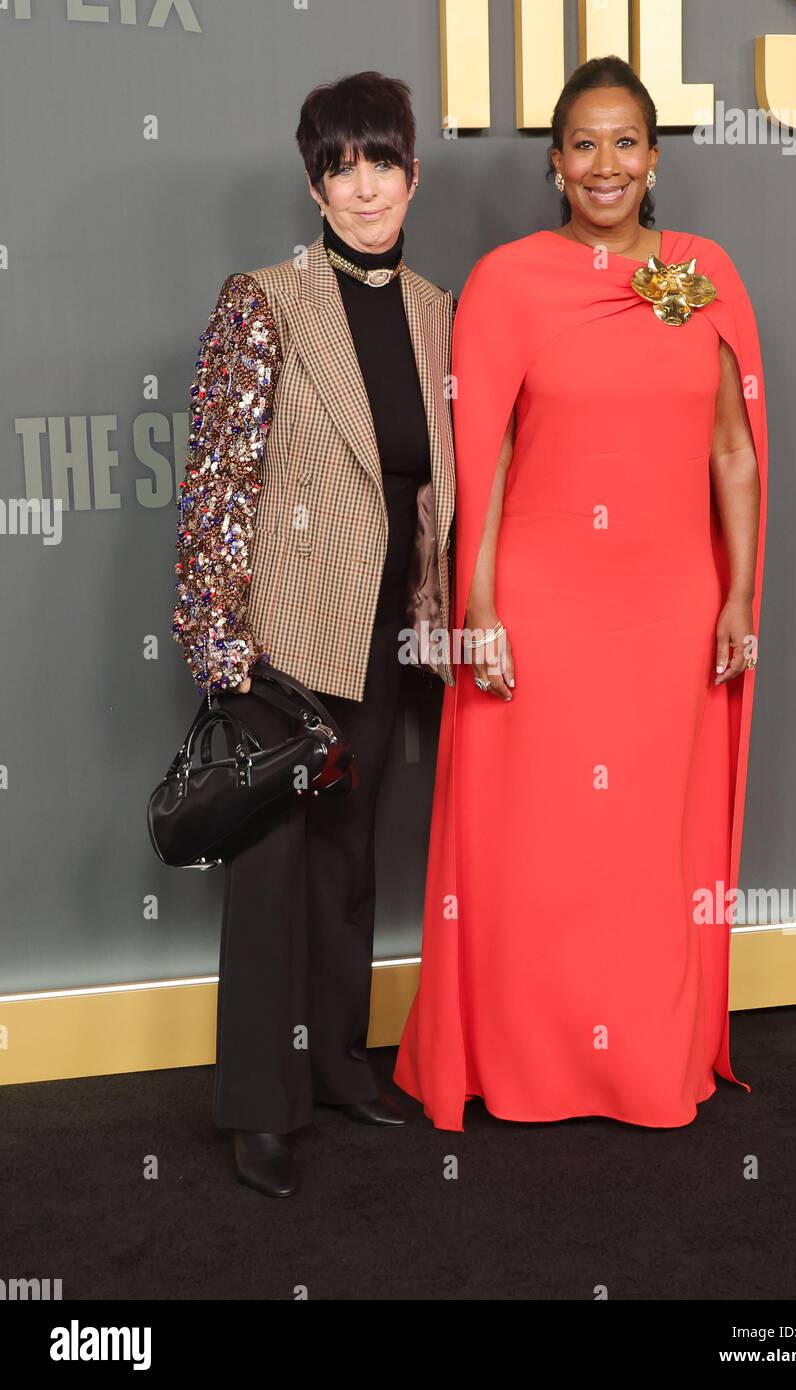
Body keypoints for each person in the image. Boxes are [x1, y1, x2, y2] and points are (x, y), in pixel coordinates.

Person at [394, 56, 768, 1131]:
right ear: (556, 164)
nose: (606, 164)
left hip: (670, 605)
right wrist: (478, 608)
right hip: (543, 604)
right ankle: (529, 1059)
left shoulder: (702, 273)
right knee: (538, 842)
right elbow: (487, 455)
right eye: (584, 145)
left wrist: (739, 595)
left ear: (654, 160)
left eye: (625, 142)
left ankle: (642, 1059)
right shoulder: (508, 281)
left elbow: (733, 451)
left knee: (648, 845)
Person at [172, 70, 455, 1195]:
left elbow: (431, 484)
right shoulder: (265, 299)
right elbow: (218, 478)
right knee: (271, 870)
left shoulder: (434, 307)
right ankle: (260, 1106)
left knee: (347, 854)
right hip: (279, 634)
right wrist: (219, 640)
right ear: (314, 186)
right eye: (342, 167)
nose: (365, 186)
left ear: (413, 174)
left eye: (382, 162)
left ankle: (338, 1065)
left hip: (383, 627)